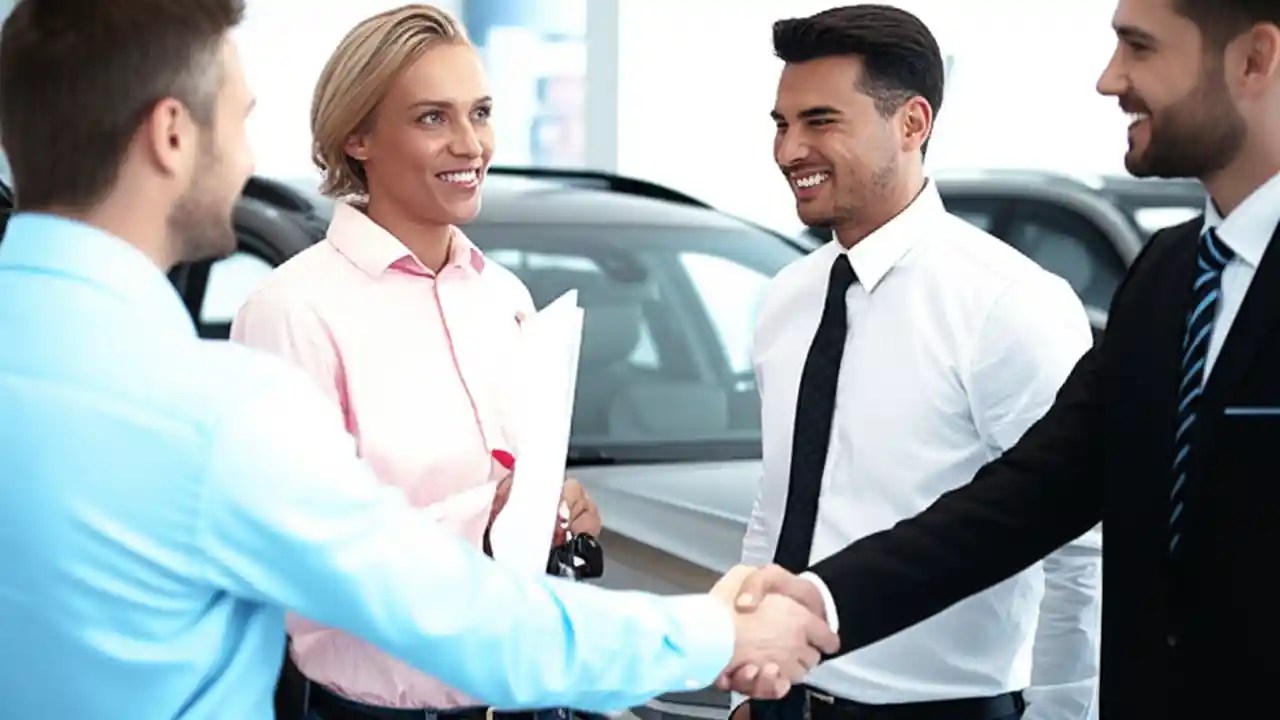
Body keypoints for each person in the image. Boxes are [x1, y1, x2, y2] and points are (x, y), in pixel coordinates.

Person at [0, 2, 838, 719]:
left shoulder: (502, 296)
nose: (250, 159)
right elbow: (436, 607)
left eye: (478, 111)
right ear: (173, 135)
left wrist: (531, 507)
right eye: (242, 119)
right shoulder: (215, 405)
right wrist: (719, 631)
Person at [726, 0, 1280, 718]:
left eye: (1138, 49)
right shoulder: (1168, 276)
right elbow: (1024, 502)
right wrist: (809, 607)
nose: (1109, 81)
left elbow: (1078, 558)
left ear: (1254, 61)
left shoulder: (1012, 300)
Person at [228, 7, 602, 718]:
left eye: (481, 112)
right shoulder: (293, 310)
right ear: (357, 137)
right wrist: (482, 520)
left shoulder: (506, 298)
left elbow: (511, 489)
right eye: (433, 118)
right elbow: (299, 555)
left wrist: (552, 509)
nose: (471, 144)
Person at [733, 7, 1101, 720]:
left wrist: (1063, 713)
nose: (789, 149)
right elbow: (776, 504)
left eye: (820, 121)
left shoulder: (1010, 304)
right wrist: (748, 680)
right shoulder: (787, 298)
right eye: (781, 124)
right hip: (783, 701)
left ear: (912, 124)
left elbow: (1077, 549)